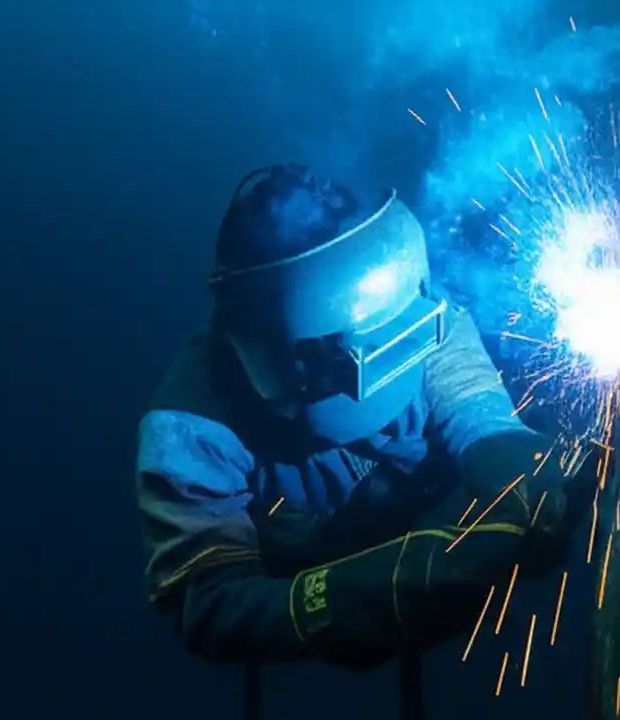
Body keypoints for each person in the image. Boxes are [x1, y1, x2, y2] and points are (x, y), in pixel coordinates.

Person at [134, 164, 590, 668]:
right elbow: (205, 598)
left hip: (432, 521)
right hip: (323, 577)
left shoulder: (424, 316)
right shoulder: (190, 430)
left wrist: (513, 462)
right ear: (287, 356)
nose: (395, 350)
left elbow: (479, 414)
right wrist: (342, 598)